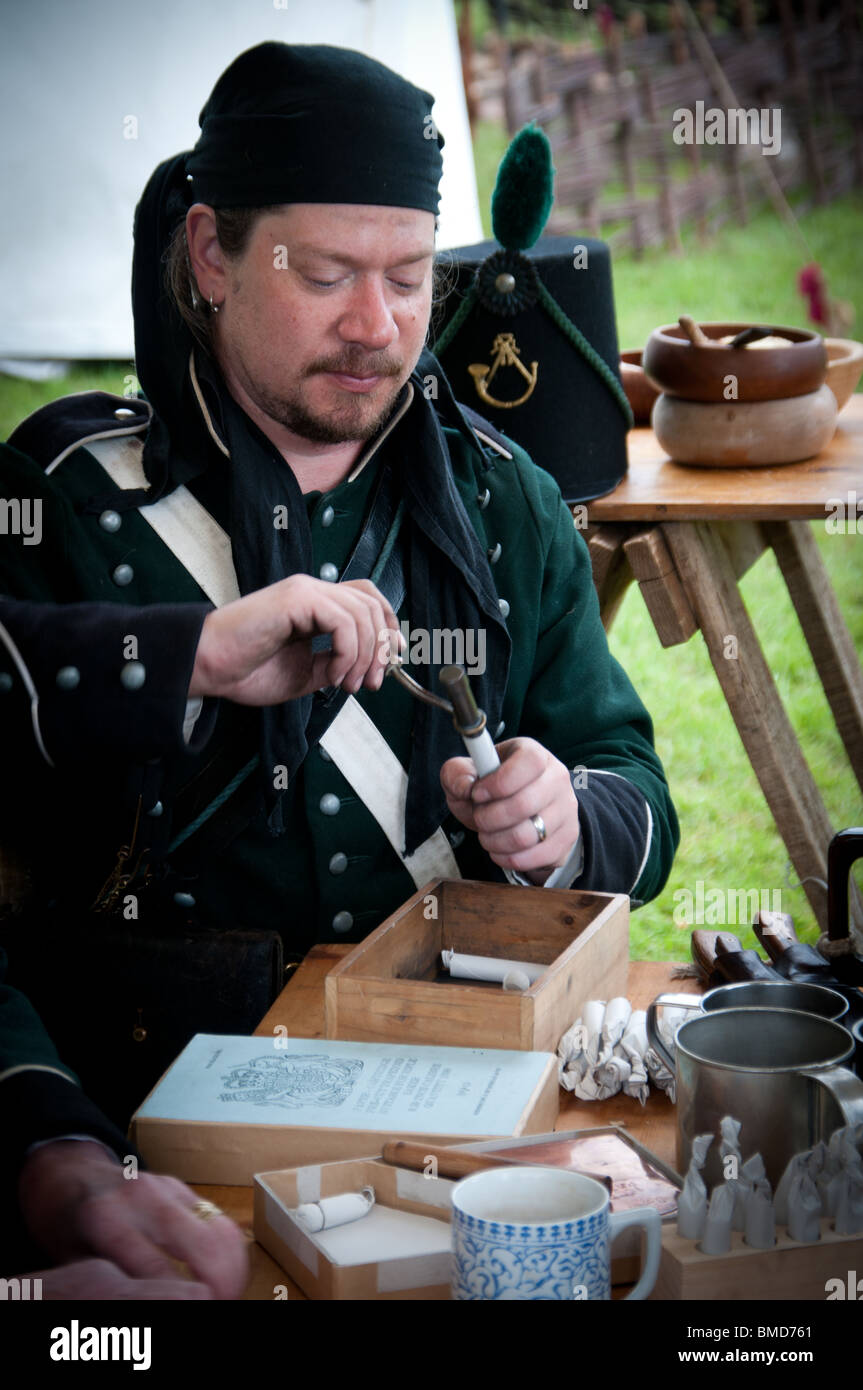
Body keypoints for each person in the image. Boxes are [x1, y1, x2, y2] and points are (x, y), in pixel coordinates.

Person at [0, 42, 678, 1136]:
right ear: (211, 253)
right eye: (322, 276)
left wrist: (564, 818)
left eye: (408, 278)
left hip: (464, 1097)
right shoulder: (67, 498)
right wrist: (188, 656)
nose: (377, 327)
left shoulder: (503, 501)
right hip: (143, 1138)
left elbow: (637, 794)